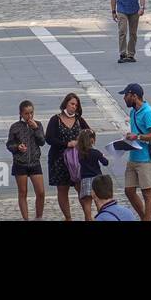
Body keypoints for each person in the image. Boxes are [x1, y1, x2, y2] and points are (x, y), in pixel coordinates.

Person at [45, 93, 89, 221]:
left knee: (80, 188)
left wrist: (81, 142)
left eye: (76, 105)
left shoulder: (79, 119)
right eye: (72, 103)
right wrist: (66, 144)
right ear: (66, 104)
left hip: (76, 160)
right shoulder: (55, 119)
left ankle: (88, 216)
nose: (74, 107)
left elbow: (89, 132)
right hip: (59, 160)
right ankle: (68, 217)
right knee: (62, 189)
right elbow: (49, 138)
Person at [120, 83, 151, 221]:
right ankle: (144, 218)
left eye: (126, 95)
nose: (124, 98)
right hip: (133, 157)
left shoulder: (148, 112)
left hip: (145, 159)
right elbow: (136, 132)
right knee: (129, 190)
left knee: (147, 193)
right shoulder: (133, 111)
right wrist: (129, 137)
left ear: (134, 96)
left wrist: (137, 136)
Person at [6, 100, 46, 220]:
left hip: (34, 162)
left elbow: (42, 142)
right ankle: (26, 218)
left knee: (41, 192)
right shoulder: (15, 127)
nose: (29, 116)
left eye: (31, 113)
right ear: (21, 114)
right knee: (23, 192)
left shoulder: (38, 124)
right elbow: (9, 144)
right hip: (20, 163)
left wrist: (36, 129)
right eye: (27, 113)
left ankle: (39, 217)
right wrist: (17, 147)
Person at [111, 0, 146, 64]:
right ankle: (122, 53)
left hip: (134, 9)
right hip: (121, 9)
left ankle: (131, 54)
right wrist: (113, 11)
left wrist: (142, 7)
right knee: (122, 31)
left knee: (133, 33)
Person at [75, 129, 109, 221]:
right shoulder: (96, 153)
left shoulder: (80, 153)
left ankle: (88, 219)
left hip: (85, 179)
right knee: (99, 202)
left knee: (87, 203)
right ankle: (101, 218)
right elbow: (105, 163)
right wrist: (103, 156)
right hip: (97, 180)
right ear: (92, 140)